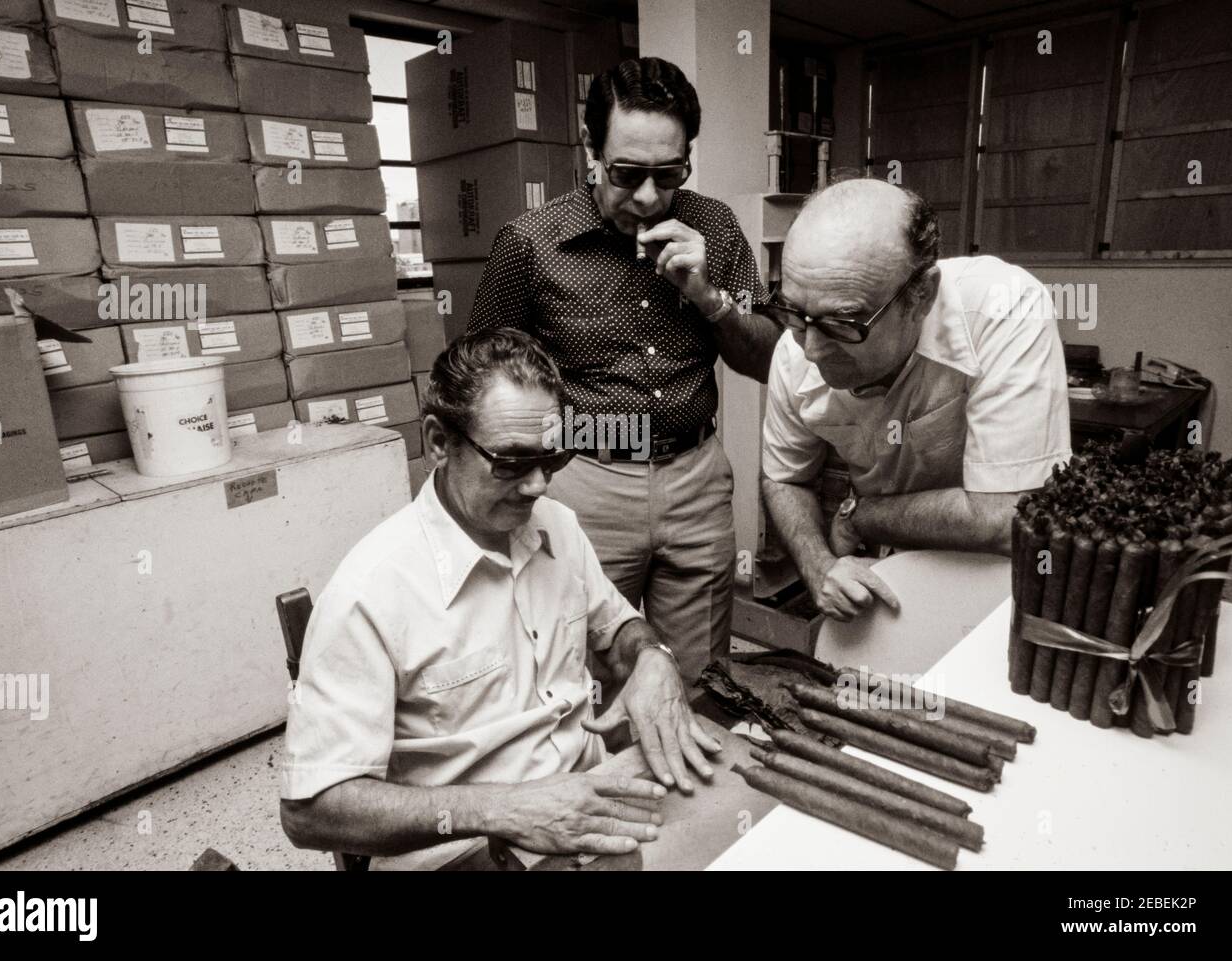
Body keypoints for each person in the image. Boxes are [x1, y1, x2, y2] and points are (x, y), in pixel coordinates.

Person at [280, 329, 721, 862]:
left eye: (552, 460)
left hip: (589, 805)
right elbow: (310, 811)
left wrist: (653, 657)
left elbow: (618, 629)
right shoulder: (370, 593)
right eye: (510, 463)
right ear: (438, 442)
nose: (538, 486)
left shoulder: (558, 526)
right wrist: (505, 810)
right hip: (464, 848)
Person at [468, 57, 780, 688]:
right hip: (582, 480)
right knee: (581, 679)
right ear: (590, 150)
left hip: (695, 482)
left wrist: (707, 296)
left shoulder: (714, 227)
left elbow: (771, 356)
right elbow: (480, 382)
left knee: (698, 686)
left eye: (668, 175)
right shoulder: (530, 244)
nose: (646, 197)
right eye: (626, 174)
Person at [759, 178, 1071, 622]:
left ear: (921, 295)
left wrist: (861, 517)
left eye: (844, 323)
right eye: (793, 313)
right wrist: (820, 568)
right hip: (885, 573)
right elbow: (784, 477)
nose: (811, 350)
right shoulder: (795, 353)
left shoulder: (1005, 307)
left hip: (998, 576)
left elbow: (1006, 516)